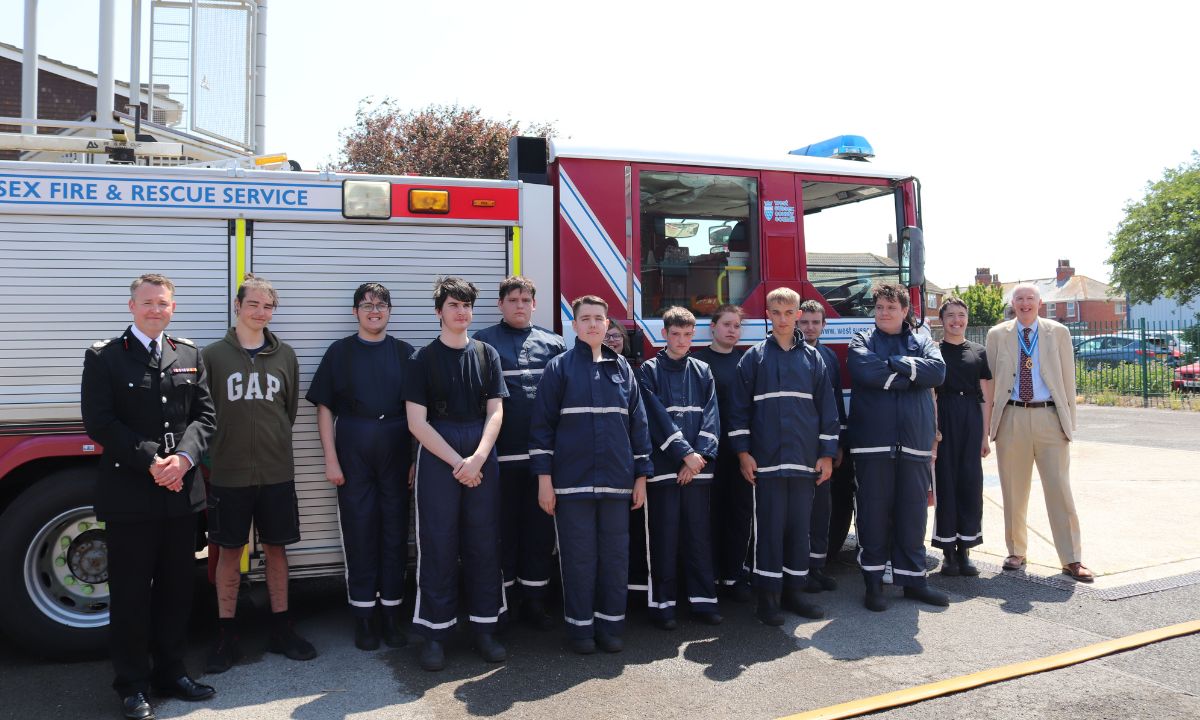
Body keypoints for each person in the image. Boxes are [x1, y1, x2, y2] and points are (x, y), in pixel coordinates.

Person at [81, 274, 217, 720]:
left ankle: (172, 673)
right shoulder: (104, 357)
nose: (156, 309)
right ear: (131, 306)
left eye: (163, 303)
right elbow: (99, 422)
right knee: (131, 595)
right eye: (148, 302)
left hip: (180, 494)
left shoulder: (188, 354)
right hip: (130, 495)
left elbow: (205, 417)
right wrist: (153, 462)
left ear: (172, 308)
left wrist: (184, 459)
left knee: (177, 591)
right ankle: (132, 685)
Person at [203, 275, 315, 672]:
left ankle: (282, 629)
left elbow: (288, 411)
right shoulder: (212, 356)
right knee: (228, 552)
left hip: (275, 471)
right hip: (228, 473)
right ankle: (226, 635)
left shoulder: (286, 356)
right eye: (253, 304)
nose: (260, 312)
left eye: (268, 307)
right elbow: (203, 414)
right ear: (237, 306)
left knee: (277, 549)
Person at [531, 295, 652, 655]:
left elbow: (639, 425)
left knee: (615, 557)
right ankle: (580, 629)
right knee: (579, 557)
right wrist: (544, 480)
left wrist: (641, 477)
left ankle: (611, 627)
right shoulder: (559, 368)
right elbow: (542, 428)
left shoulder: (622, 368)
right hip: (572, 483)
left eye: (599, 318)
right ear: (574, 325)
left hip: (617, 481)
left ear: (607, 324)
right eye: (585, 318)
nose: (593, 324)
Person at [405, 276, 509, 671]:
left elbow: (496, 411)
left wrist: (478, 458)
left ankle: (485, 629)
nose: (461, 312)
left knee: (484, 542)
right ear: (439, 311)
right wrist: (457, 463)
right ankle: (435, 633)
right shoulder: (421, 360)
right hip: (439, 452)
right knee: (438, 544)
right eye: (454, 305)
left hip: (480, 449)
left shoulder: (486, 354)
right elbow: (417, 423)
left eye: (466, 305)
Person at [307, 282, 415, 650]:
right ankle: (364, 616)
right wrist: (331, 458)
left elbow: (419, 411)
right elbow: (324, 408)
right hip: (352, 446)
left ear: (390, 311)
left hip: (396, 446)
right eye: (367, 305)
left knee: (395, 532)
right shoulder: (339, 353)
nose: (374, 311)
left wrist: (414, 458)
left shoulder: (405, 353)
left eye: (381, 304)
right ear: (355, 312)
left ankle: (391, 616)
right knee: (359, 531)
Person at [728, 288, 839, 626]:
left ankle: (794, 592)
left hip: (804, 462)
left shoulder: (814, 359)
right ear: (768, 314)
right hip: (766, 464)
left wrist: (826, 455)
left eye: (789, 312)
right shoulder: (754, 357)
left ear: (797, 315)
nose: (782, 319)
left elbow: (828, 409)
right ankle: (768, 599)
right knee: (769, 532)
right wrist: (743, 454)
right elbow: (738, 410)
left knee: (798, 530)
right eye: (776, 312)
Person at [847, 282, 948, 612]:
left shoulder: (923, 341)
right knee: (873, 513)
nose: (884, 312)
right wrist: (913, 375)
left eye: (891, 307)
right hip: (872, 443)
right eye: (879, 307)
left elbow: (938, 372)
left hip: (915, 442)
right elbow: (864, 369)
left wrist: (894, 362)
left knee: (913, 514)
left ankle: (914, 581)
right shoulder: (862, 340)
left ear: (905, 311)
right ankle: (873, 583)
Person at [473, 276, 566, 630]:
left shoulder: (554, 343)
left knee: (539, 533)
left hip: (542, 461)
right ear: (500, 305)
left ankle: (535, 602)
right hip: (499, 459)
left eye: (526, 300)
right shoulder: (482, 342)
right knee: (503, 532)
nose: (519, 306)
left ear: (534, 304)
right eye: (512, 300)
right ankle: (505, 602)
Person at [985, 284, 1091, 581]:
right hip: (1012, 417)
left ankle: (1071, 558)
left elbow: (1068, 379)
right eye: (1019, 299)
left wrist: (1069, 422)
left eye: (1030, 298)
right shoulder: (997, 335)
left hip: (1049, 417)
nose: (1025, 303)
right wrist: (988, 427)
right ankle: (1016, 550)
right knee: (1013, 490)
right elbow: (990, 383)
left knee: (1059, 489)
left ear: (1040, 303)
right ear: (1013, 304)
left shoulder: (1058, 332)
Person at [637, 306, 722, 629]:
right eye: (676, 334)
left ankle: (703, 603)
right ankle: (664, 607)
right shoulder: (648, 371)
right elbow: (654, 418)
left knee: (699, 538)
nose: (682, 340)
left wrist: (697, 458)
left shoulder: (703, 370)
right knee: (664, 538)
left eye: (688, 334)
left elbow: (712, 415)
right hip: (664, 469)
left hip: (697, 469)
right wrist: (685, 454)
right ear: (664, 334)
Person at [692, 305, 752, 602]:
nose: (732, 330)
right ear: (712, 327)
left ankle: (734, 576)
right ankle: (711, 577)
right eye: (726, 324)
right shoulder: (697, 362)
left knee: (739, 514)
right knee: (710, 516)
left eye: (737, 326)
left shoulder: (746, 362)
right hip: (708, 454)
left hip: (738, 453)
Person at [932, 297, 993, 577]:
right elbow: (930, 393)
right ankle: (947, 552)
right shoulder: (934, 350)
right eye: (951, 316)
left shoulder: (979, 352)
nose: (956, 321)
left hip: (970, 416)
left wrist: (984, 435)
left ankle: (965, 549)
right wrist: (934, 429)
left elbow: (985, 396)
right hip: (944, 414)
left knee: (970, 482)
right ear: (942, 320)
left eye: (961, 315)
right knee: (946, 482)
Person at [797, 300, 848, 593]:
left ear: (824, 325)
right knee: (798, 511)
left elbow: (836, 403)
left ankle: (817, 567)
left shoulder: (829, 357)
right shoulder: (790, 355)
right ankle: (798, 569)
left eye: (815, 322)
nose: (810, 327)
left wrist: (837, 445)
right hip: (797, 444)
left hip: (822, 446)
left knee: (821, 509)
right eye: (805, 322)